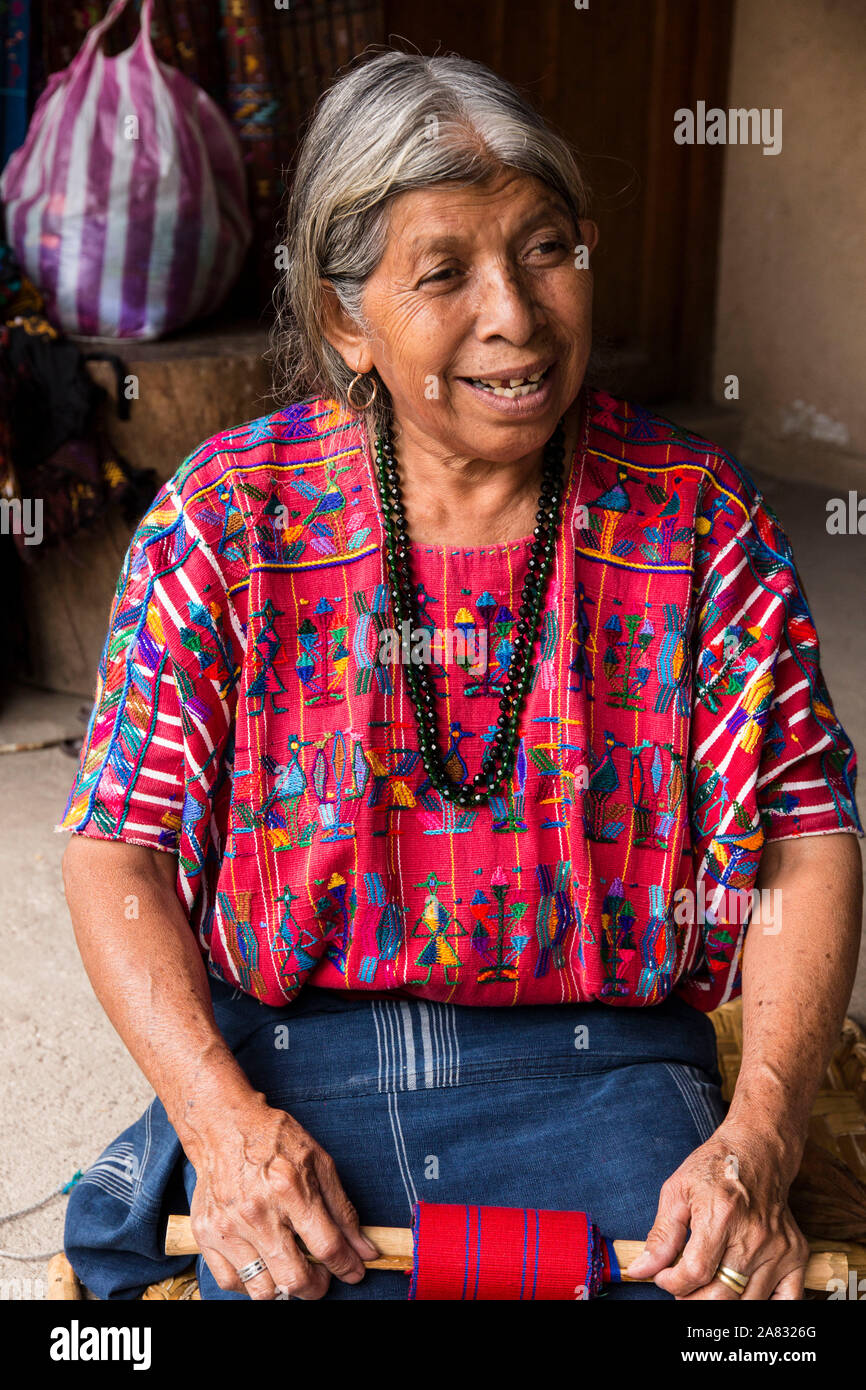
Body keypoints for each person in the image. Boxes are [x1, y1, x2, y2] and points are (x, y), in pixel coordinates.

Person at [58, 50, 862, 1302]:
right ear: (342, 320)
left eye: (544, 250)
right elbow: (117, 846)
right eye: (444, 272)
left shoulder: (696, 518)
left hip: (612, 1080)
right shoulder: (226, 522)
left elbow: (804, 832)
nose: (516, 316)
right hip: (297, 1076)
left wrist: (757, 1134)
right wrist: (221, 1125)